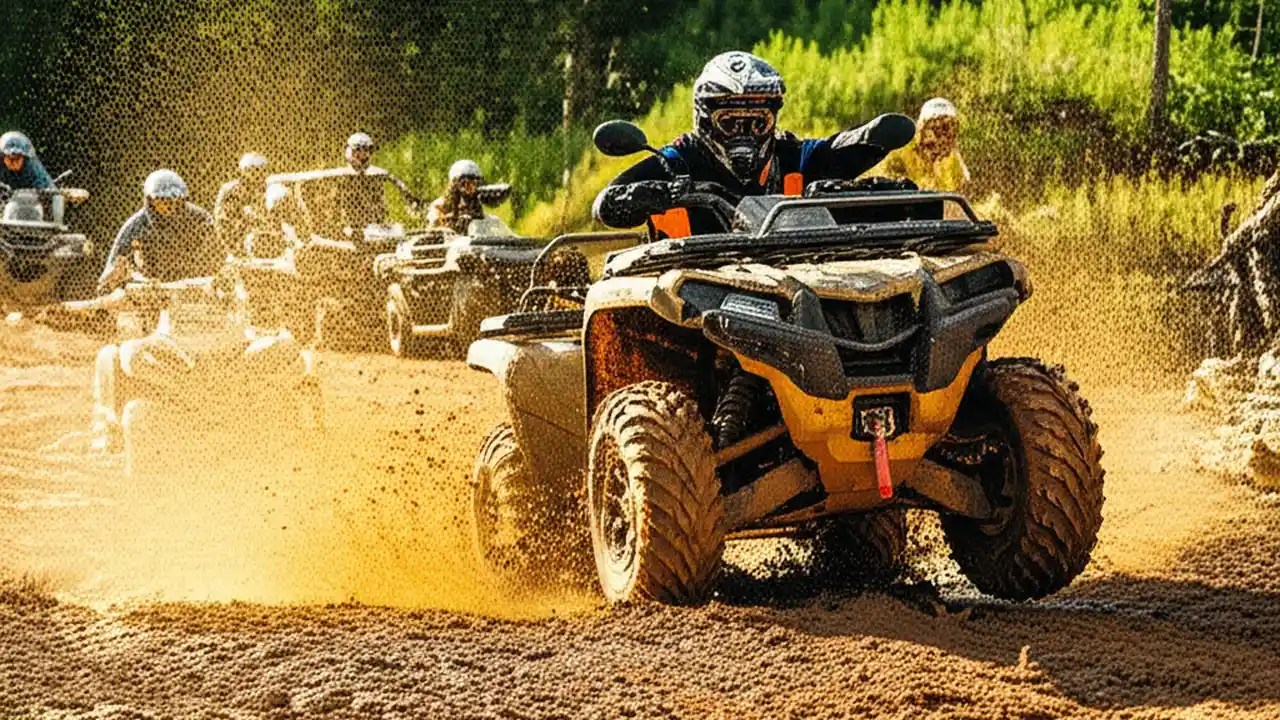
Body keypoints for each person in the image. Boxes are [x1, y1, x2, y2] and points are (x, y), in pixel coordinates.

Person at [592, 51, 914, 236]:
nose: (746, 133)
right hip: (682, 305)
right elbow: (604, 205)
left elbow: (834, 152)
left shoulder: (792, 158)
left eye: (758, 123)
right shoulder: (674, 162)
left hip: (783, 290)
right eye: (731, 123)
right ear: (705, 121)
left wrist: (870, 137)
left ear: (772, 122)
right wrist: (654, 195)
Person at [97, 170, 224, 293]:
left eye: (173, 200)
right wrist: (108, 284)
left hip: (194, 285)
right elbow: (114, 263)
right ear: (150, 201)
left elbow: (218, 254)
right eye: (162, 200)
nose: (169, 205)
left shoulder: (199, 218)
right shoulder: (137, 224)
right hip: (152, 287)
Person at [332, 132, 423, 231]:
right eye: (357, 150)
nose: (362, 154)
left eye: (366, 150)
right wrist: (336, 221)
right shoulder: (342, 175)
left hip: (377, 222)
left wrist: (411, 200)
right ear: (350, 152)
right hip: (351, 223)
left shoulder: (378, 173)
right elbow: (335, 200)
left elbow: (400, 186)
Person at [877, 97, 971, 192]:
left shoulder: (952, 157)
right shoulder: (900, 151)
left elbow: (963, 192)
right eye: (938, 129)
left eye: (950, 131)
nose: (944, 138)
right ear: (923, 128)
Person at [426, 159, 512, 234]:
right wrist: (454, 221)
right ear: (455, 184)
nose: (471, 188)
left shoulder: (475, 201)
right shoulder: (440, 204)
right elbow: (434, 224)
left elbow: (482, 221)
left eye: (475, 183)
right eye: (466, 184)